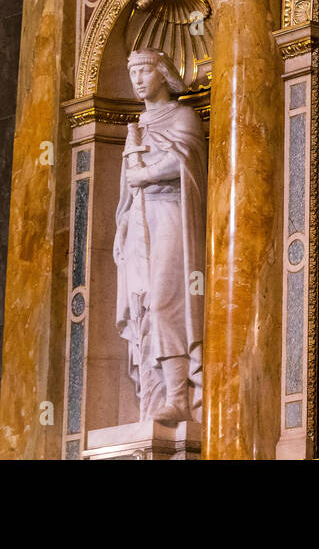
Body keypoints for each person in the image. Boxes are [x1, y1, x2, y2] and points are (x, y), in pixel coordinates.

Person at [113, 49, 207, 424]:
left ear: (163, 74)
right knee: (144, 305)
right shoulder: (137, 125)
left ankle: (179, 397)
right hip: (139, 220)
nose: (137, 79)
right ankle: (154, 397)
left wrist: (146, 174)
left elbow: (185, 159)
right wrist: (121, 229)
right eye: (132, 72)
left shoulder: (183, 116)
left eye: (144, 71)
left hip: (171, 214)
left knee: (168, 300)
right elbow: (125, 187)